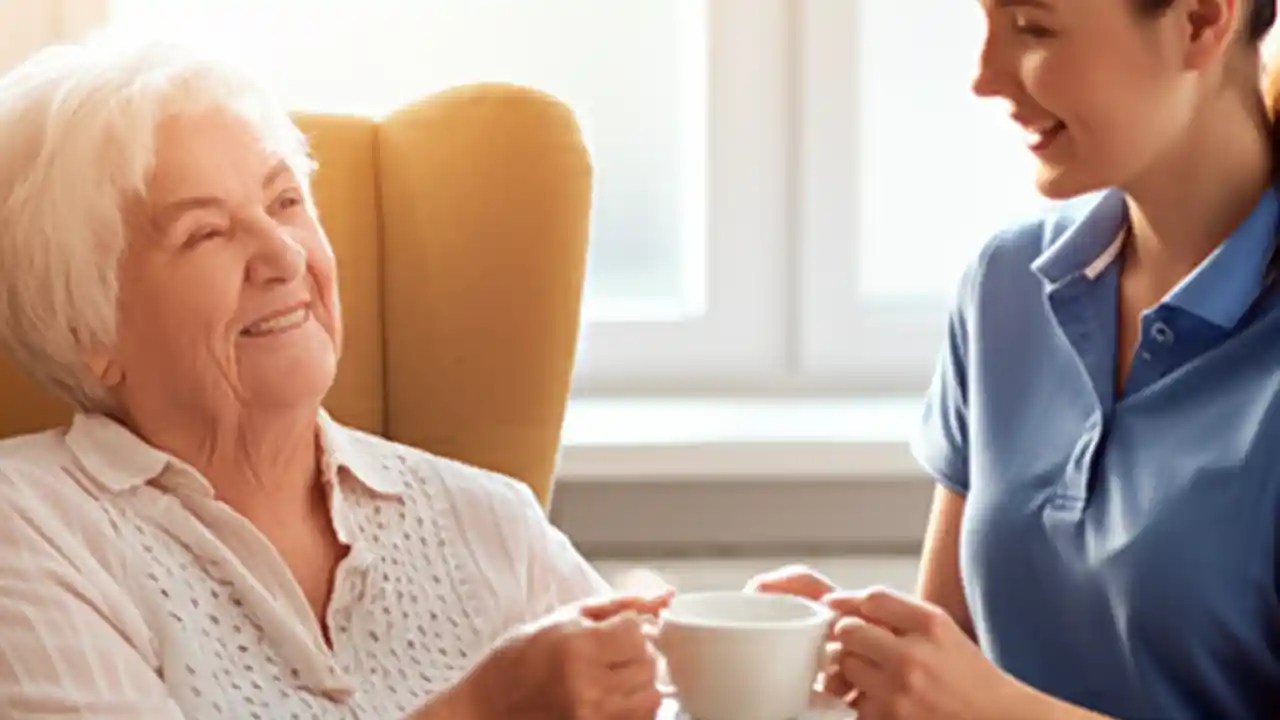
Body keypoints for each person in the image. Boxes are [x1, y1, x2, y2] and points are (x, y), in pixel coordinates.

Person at [0, 37, 666, 719]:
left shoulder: (490, 521)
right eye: (206, 233)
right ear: (92, 332)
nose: (284, 256)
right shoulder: (30, 527)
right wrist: (480, 711)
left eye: (285, 201)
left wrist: (760, 678)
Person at [751, 0, 1280, 717]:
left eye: (1033, 26)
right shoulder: (1007, 283)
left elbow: (982, 702)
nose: (983, 77)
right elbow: (958, 656)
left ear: (1198, 20)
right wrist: (867, 646)